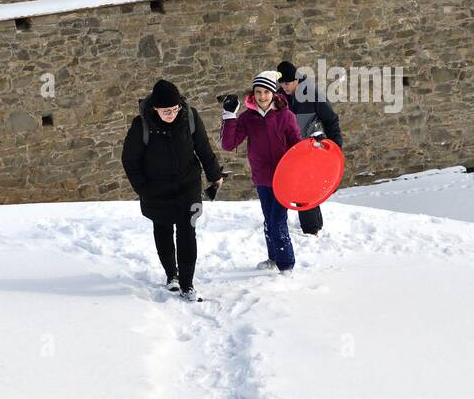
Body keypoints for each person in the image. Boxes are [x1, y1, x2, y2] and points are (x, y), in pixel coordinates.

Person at [121, 79, 222, 300]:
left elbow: (203, 148)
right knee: (163, 230)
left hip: (189, 185)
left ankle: (187, 284)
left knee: (188, 232)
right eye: (166, 111)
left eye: (175, 109)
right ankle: (171, 275)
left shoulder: (190, 117)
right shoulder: (142, 125)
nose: (172, 114)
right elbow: (130, 160)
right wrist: (143, 189)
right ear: (155, 109)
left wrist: (214, 175)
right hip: (156, 189)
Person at [220, 70, 302, 272]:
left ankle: (286, 265)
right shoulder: (248, 118)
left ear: (273, 92)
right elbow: (228, 144)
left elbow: (297, 146)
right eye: (258, 92)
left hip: (284, 178)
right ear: (253, 93)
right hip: (263, 178)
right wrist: (230, 115)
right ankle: (273, 259)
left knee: (277, 222)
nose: (262, 96)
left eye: (266, 91)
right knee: (269, 220)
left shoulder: (286, 116)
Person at [276, 60, 343, 236]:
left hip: (311, 148)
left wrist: (336, 148)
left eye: (288, 83)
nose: (285, 86)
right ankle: (314, 226)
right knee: (301, 187)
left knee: (304, 187)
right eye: (281, 83)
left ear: (297, 80)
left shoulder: (313, 94)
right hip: (291, 151)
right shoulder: (279, 98)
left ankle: (311, 230)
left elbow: (331, 120)